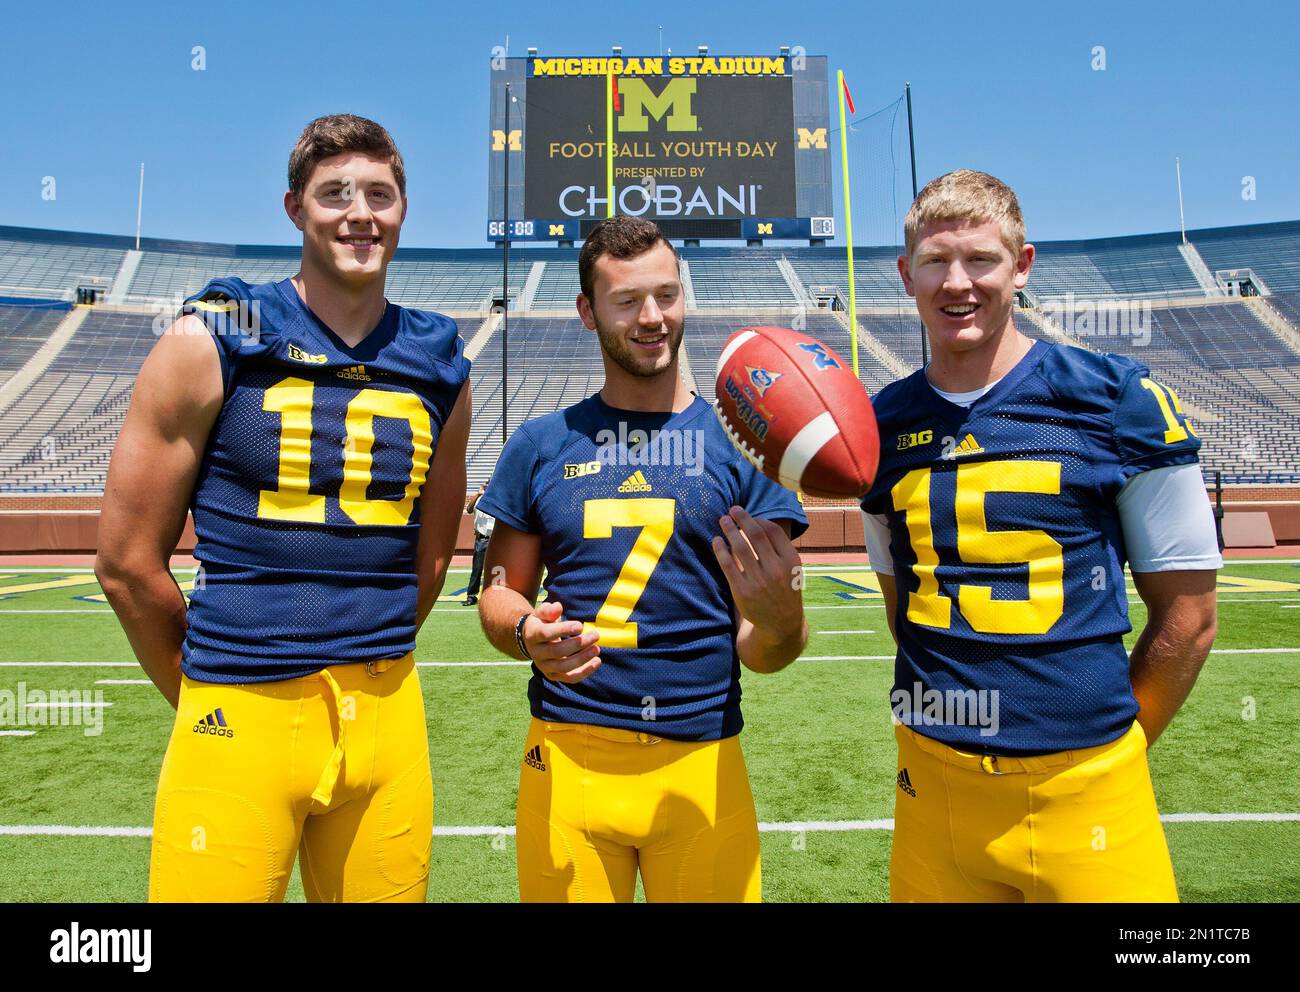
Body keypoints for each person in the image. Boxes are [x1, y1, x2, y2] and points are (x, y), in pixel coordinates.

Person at [95, 114, 471, 902]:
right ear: (295, 208)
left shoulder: (439, 359)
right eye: (334, 193)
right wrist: (210, 687)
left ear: (403, 209)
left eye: (380, 192)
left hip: (387, 711)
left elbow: (432, 557)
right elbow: (127, 564)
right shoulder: (220, 334)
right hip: (240, 712)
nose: (359, 211)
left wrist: (365, 638)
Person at [861, 170, 1220, 902]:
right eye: (935, 261)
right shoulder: (876, 428)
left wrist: (1113, 755)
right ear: (906, 274)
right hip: (934, 786)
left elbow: (1190, 613)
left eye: (981, 260)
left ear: (1021, 266)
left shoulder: (1117, 399)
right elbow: (904, 613)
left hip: (1088, 788)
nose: (956, 282)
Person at [476, 215, 809, 902]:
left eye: (666, 294)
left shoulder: (744, 448)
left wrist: (782, 623)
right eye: (627, 300)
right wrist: (524, 632)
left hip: (702, 759)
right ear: (587, 311)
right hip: (568, 757)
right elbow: (498, 592)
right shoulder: (540, 445)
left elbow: (766, 648)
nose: (652, 317)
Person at [463, 480, 494, 606]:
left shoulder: (498, 499)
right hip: (482, 538)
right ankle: (471, 595)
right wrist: (477, 493)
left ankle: (494, 596)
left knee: (496, 569)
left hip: (495, 539)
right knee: (477, 569)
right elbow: (469, 509)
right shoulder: (479, 499)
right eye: (487, 485)